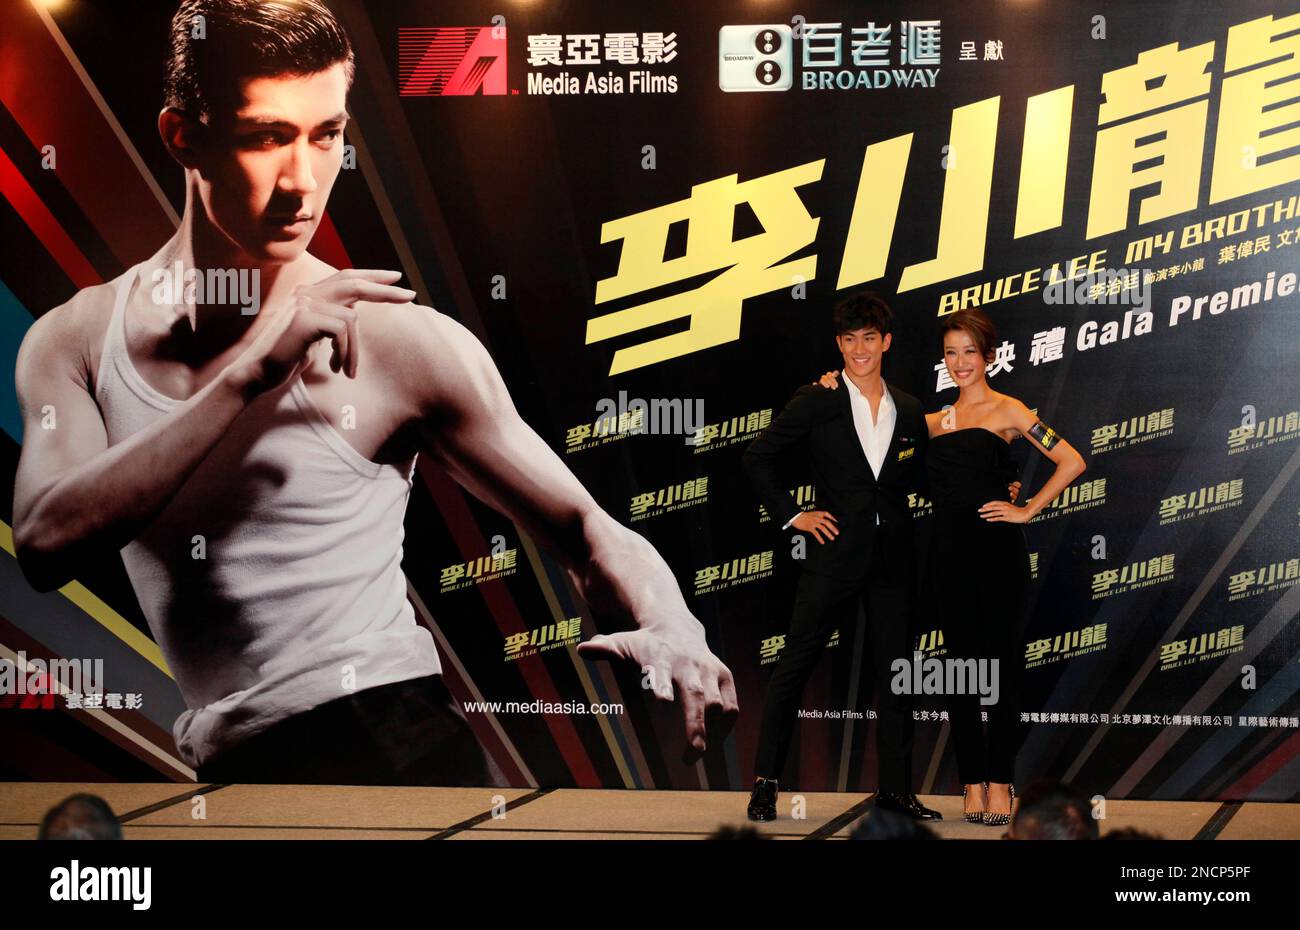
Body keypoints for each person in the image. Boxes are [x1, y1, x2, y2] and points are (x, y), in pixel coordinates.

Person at [11, 0, 737, 785]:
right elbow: (48, 541)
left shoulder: (398, 341)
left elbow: (590, 528)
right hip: (230, 759)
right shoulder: (78, 337)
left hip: (390, 731)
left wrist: (673, 625)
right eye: (267, 136)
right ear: (182, 136)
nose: (302, 181)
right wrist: (252, 372)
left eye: (326, 135)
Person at [741, 292, 941, 822]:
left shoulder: (910, 408)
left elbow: (921, 479)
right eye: (850, 339)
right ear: (839, 343)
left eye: (869, 339)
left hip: (894, 557)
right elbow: (757, 456)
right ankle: (766, 783)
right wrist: (793, 515)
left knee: (897, 672)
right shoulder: (818, 398)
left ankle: (895, 789)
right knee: (794, 665)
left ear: (887, 342)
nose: (859, 349)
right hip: (832, 553)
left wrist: (995, 483)